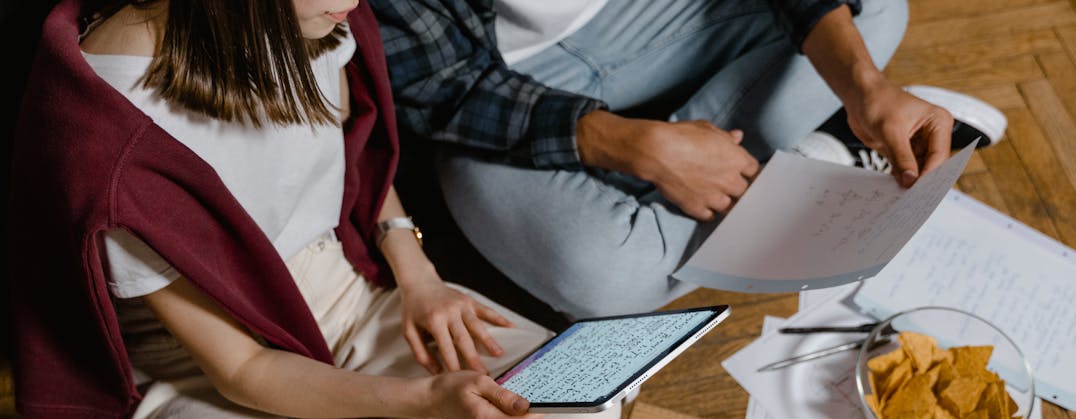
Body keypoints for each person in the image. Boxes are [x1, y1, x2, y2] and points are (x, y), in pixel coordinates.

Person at [7, 0, 618, 419]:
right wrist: (425, 398)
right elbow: (242, 370)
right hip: (198, 353)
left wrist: (416, 273)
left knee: (580, 399)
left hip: (335, 285)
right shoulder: (111, 131)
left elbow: (344, 154)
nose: (353, 1)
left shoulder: (309, 16)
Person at [369, 0, 998, 319]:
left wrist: (864, 83)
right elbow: (443, 87)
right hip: (498, 80)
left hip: (650, 15)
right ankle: (800, 156)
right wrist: (631, 144)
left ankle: (806, 148)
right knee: (603, 276)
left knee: (878, 9)